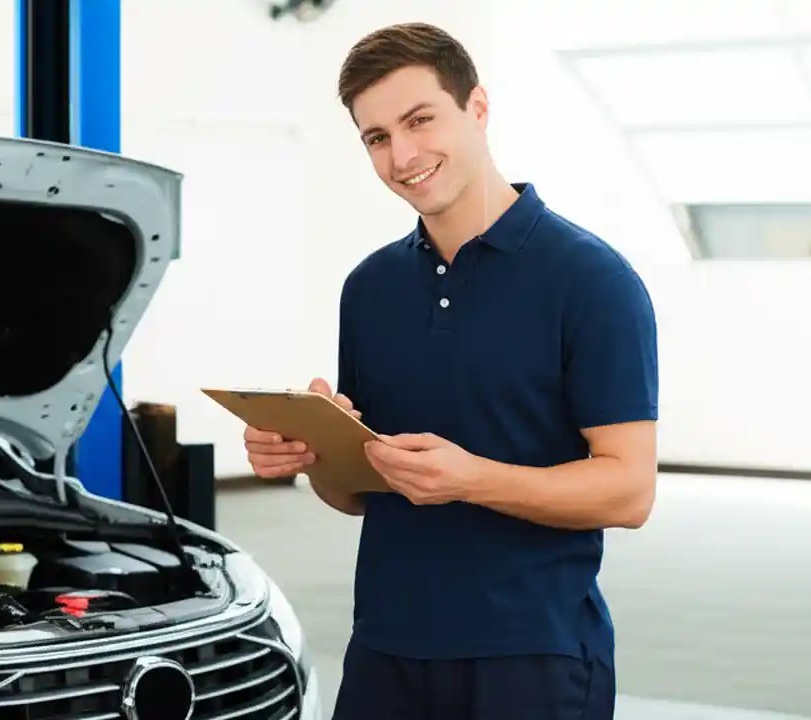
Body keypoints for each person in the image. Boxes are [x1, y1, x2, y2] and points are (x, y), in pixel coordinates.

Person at [243, 22, 658, 720]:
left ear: (478, 109)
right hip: (385, 651)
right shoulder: (369, 288)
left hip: (532, 658)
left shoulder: (592, 280)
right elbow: (361, 495)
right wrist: (314, 453)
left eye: (419, 120)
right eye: (377, 138)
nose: (402, 155)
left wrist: (473, 479)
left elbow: (629, 490)